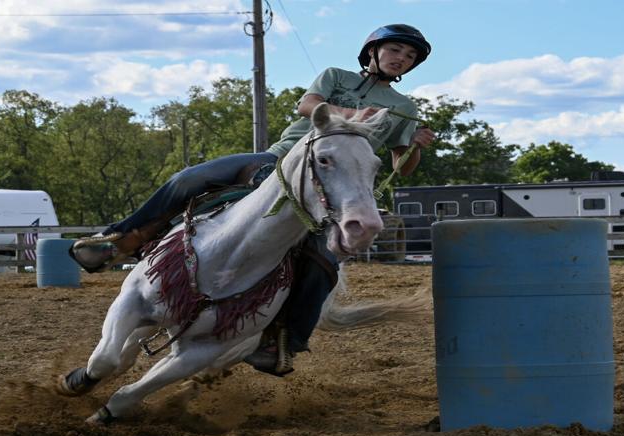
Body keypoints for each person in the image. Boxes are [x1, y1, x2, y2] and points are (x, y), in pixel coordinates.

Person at [71, 24, 438, 376]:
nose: (401, 58)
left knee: (323, 262)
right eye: (394, 49)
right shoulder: (336, 76)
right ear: (372, 50)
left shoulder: (403, 108)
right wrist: (350, 114)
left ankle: (283, 340)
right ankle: (122, 239)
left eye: (410, 56)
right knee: (189, 178)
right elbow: (308, 105)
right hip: (278, 159)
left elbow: (402, 167)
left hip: (328, 187)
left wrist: (414, 146)